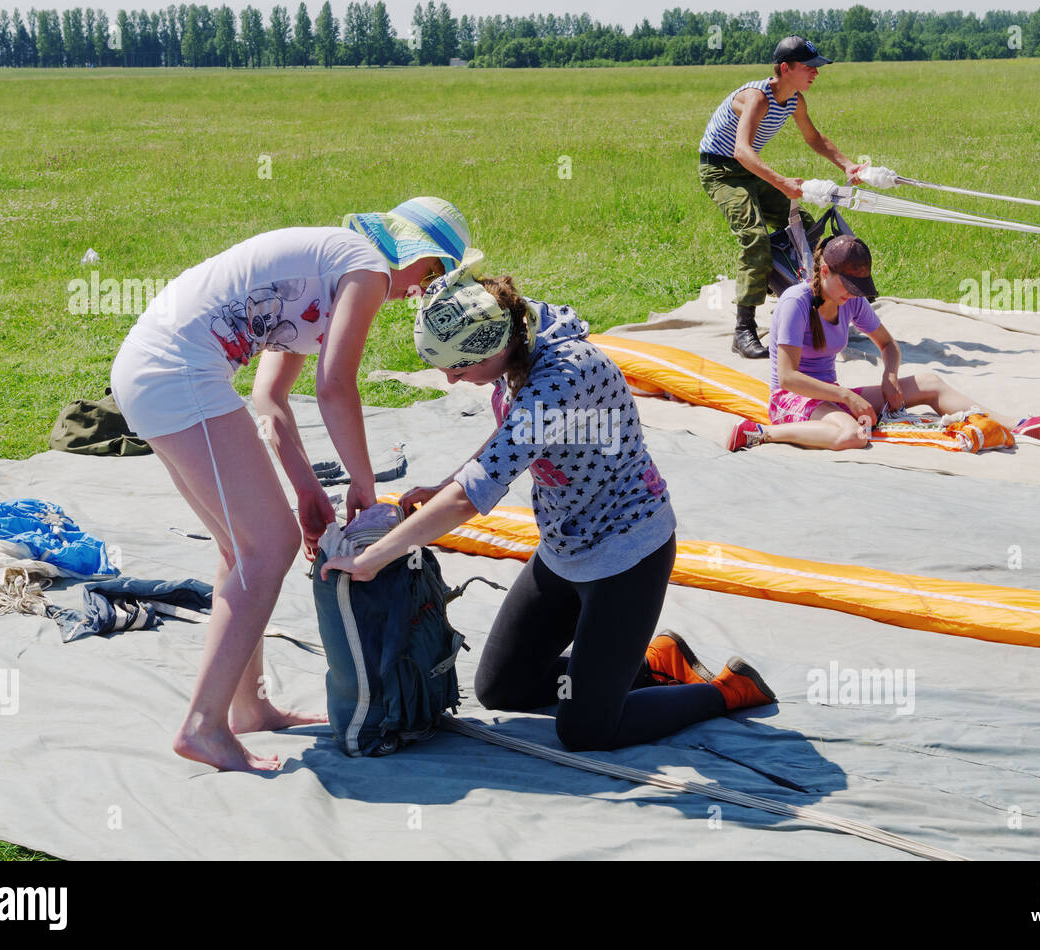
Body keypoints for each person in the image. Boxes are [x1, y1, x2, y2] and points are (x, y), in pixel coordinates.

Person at [321, 249, 776, 752]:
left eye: (458, 368)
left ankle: (726, 692)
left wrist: (376, 557)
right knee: (501, 688)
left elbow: (468, 501)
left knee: (587, 730)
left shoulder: (562, 378)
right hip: (564, 548)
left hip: (626, 556)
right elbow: (503, 445)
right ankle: (652, 662)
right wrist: (444, 481)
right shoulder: (514, 329)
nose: (450, 380)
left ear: (494, 350)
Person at [109, 197, 471, 772]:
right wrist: (362, 484)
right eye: (432, 274)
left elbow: (271, 398)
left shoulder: (327, 271)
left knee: (242, 547)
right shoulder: (367, 269)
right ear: (415, 253)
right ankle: (202, 726)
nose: (422, 291)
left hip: (154, 370)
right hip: (176, 372)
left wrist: (306, 489)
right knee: (269, 547)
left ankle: (247, 707)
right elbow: (335, 387)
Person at [726, 234, 1040, 452]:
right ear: (824, 272)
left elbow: (889, 346)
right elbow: (788, 378)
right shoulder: (796, 302)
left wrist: (891, 376)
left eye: (857, 290)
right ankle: (762, 434)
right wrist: (848, 397)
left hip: (830, 394)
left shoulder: (853, 302)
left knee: (929, 382)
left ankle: (1014, 423)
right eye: (847, 288)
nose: (853, 297)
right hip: (793, 400)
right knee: (851, 437)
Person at [699, 34, 868, 361]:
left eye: (817, 67)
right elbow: (742, 150)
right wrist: (782, 182)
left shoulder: (795, 100)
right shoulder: (756, 98)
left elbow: (814, 137)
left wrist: (848, 165)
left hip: (748, 169)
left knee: (804, 227)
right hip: (721, 170)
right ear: (785, 68)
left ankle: (815, 301)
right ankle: (743, 329)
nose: (816, 73)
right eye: (809, 67)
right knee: (756, 238)